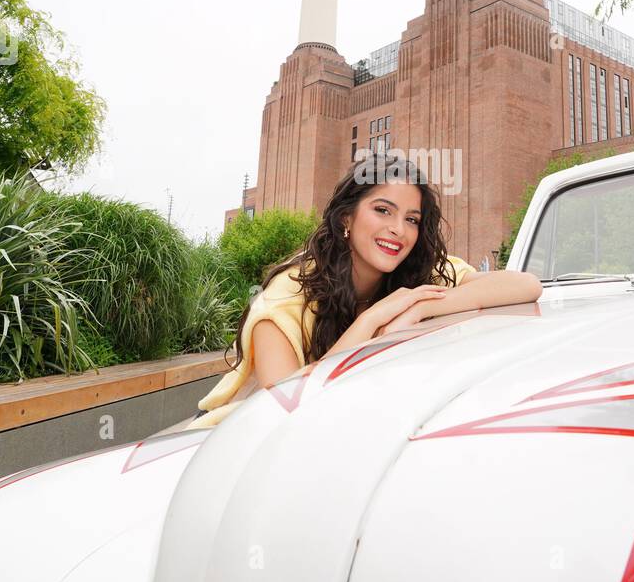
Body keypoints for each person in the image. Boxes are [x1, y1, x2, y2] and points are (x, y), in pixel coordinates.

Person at [191, 153, 543, 427]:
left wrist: (423, 306)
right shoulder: (287, 296)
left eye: (411, 219)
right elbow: (288, 406)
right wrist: (371, 320)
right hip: (240, 445)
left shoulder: (416, 274)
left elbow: (525, 285)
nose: (397, 230)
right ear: (347, 218)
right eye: (382, 210)